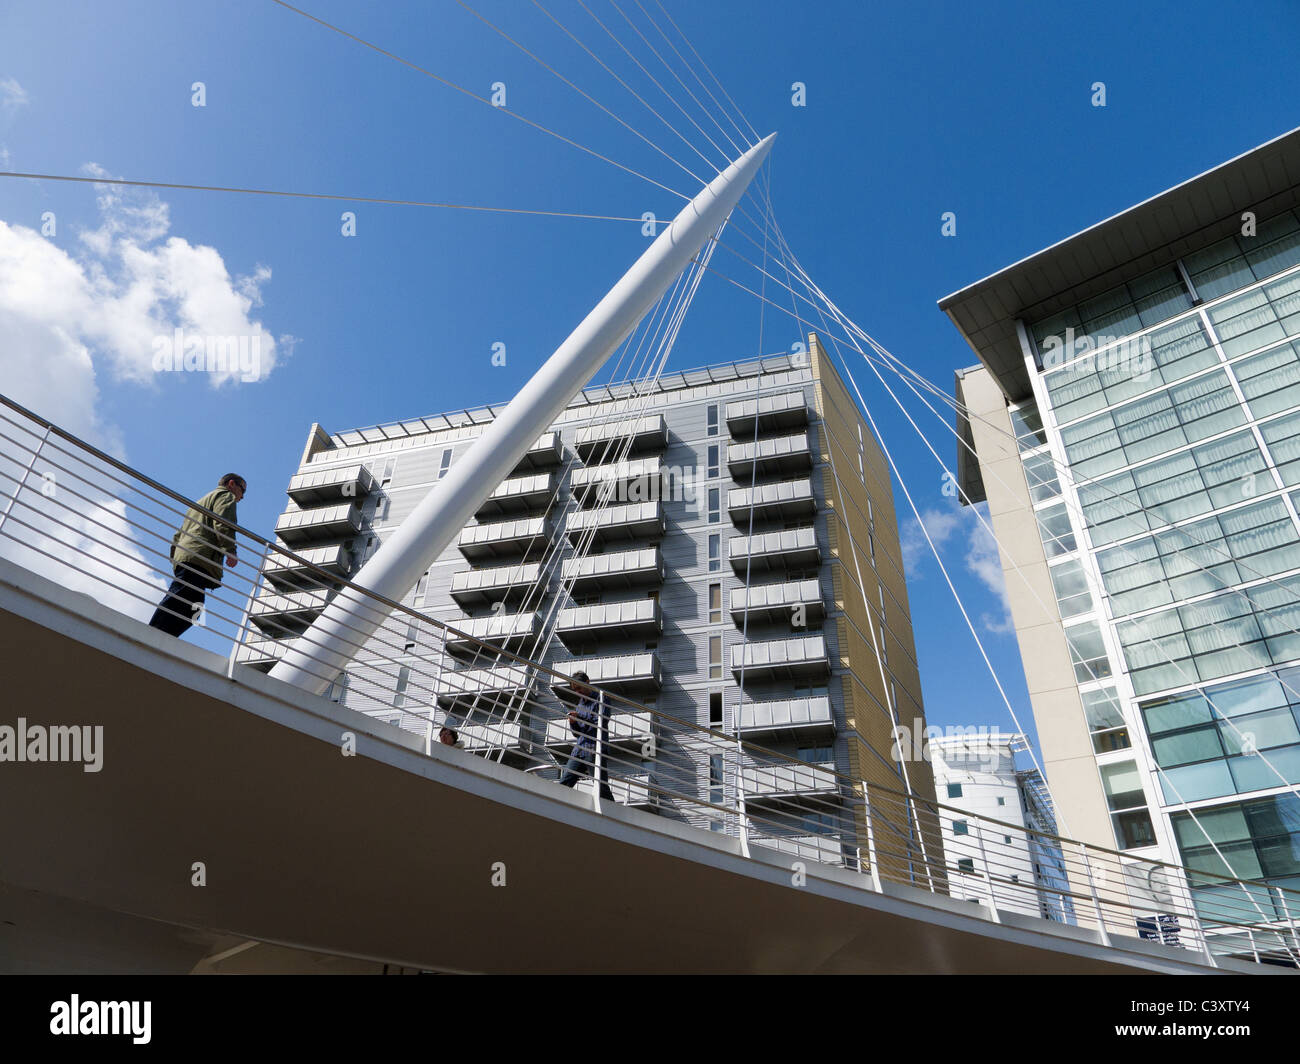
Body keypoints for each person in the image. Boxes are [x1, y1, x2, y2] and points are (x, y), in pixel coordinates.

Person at [149, 473, 246, 637]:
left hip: (190, 554)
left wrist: (176, 558)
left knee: (193, 605)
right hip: (199, 556)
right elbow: (223, 521)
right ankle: (153, 632)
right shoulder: (225, 495)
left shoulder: (200, 502)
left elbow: (178, 535)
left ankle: (164, 635)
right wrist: (230, 550)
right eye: (243, 490)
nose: (242, 497)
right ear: (231, 484)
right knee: (182, 598)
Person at [558, 671, 613, 800]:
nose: (577, 692)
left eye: (579, 688)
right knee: (565, 782)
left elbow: (600, 722)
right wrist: (573, 723)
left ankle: (615, 814)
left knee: (601, 788)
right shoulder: (580, 704)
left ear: (587, 682)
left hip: (595, 748)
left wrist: (580, 717)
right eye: (574, 690)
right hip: (579, 749)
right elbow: (577, 734)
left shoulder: (601, 698)